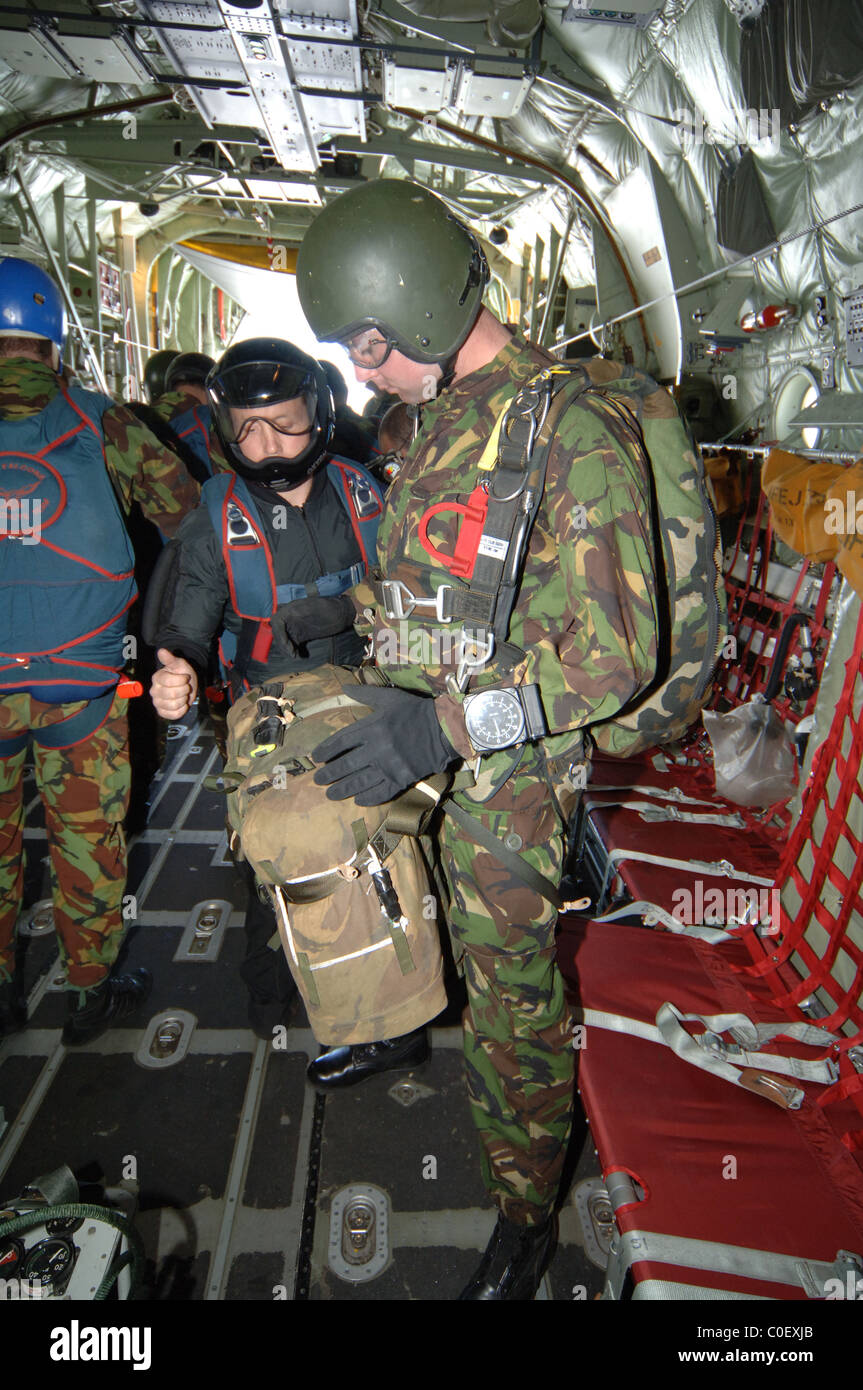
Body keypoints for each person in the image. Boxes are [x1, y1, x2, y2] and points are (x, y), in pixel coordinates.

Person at [295, 179, 662, 1300]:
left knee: (509, 1002)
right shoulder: (448, 414)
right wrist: (357, 623)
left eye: (367, 347)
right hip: (421, 732)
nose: (362, 374)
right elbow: (446, 576)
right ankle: (400, 1019)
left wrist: (441, 726)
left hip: (511, 777)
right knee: (382, 895)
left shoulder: (571, 426)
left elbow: (611, 658)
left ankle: (525, 1208)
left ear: (416, 306)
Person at [145, 339, 386, 1038]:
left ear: (319, 415)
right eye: (246, 427)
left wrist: (351, 611)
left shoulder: (362, 493)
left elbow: (409, 584)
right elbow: (190, 609)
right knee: (275, 852)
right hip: (265, 708)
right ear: (224, 431)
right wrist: (178, 669)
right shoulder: (217, 514)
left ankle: (377, 978)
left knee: (378, 837)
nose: (267, 443)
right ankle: (270, 984)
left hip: (363, 691)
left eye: (284, 421)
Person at [0, 258, 200, 1045]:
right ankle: (88, 991)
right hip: (79, 676)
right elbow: (183, 514)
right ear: (53, 341)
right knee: (87, 836)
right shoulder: (103, 422)